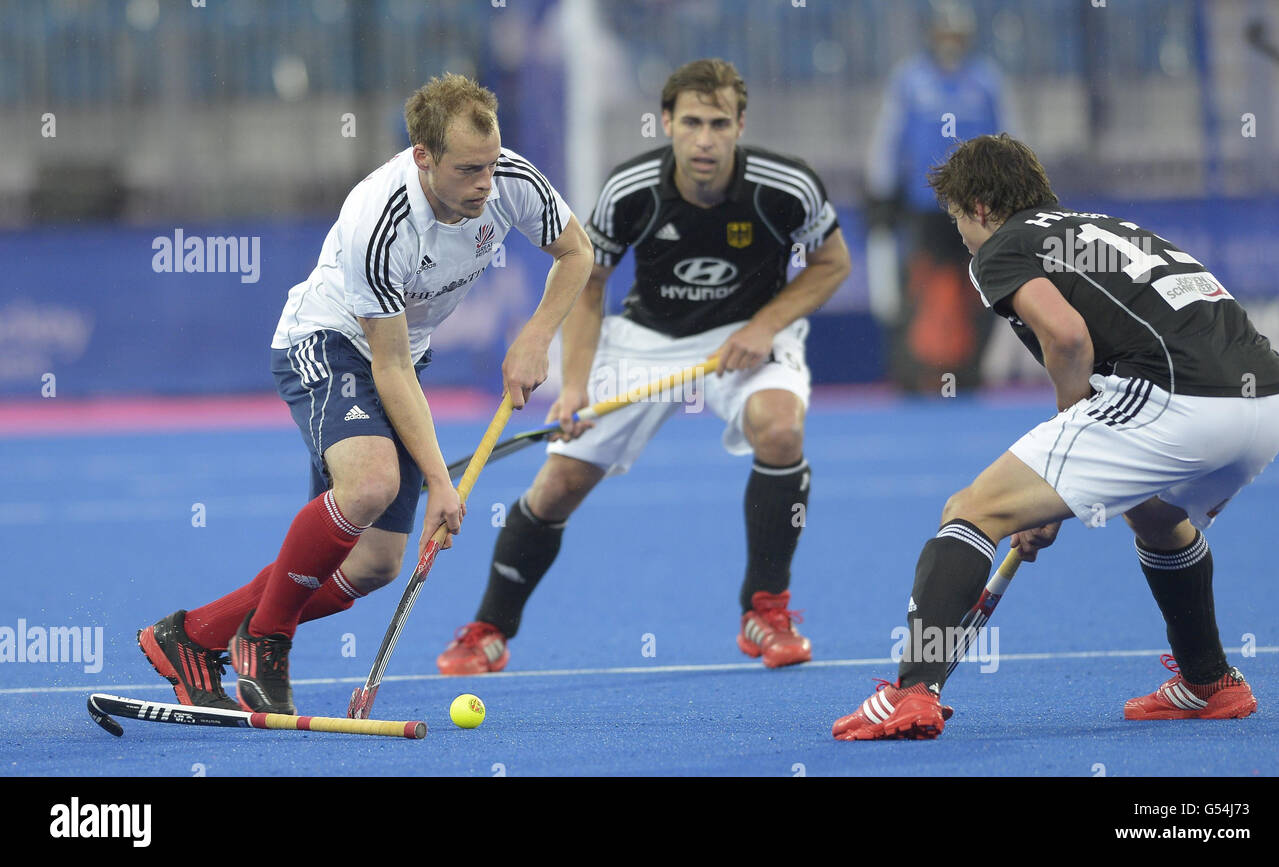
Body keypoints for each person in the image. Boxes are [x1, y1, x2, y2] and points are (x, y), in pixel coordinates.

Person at [136, 74, 593, 713]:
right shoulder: (380, 219)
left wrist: (536, 337)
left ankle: (191, 636)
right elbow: (390, 366)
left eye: (491, 166)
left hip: (403, 355)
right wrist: (440, 480)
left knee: (375, 564)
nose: (485, 186)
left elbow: (577, 252)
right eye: (468, 171)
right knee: (372, 484)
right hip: (325, 343)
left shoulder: (507, 180)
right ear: (423, 156)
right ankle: (265, 640)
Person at [834, 133, 1279, 740]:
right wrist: (1069, 483)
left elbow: (1068, 337)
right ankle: (1209, 682)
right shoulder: (1102, 226)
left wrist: (1064, 462)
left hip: (1185, 399)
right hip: (1267, 406)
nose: (963, 237)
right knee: (1152, 516)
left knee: (972, 510)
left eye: (957, 220)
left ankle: (911, 692)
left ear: (978, 208)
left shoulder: (1000, 245)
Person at [437, 58, 851, 675]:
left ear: (741, 124)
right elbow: (590, 281)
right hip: (645, 340)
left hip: (751, 331)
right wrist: (574, 385)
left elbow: (832, 263)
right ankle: (488, 629)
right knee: (557, 488)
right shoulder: (630, 190)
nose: (704, 139)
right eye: (690, 122)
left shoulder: (785, 186)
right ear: (666, 122)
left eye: (718, 123)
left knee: (780, 426)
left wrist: (765, 326)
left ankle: (766, 610)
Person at [866, 0, 1015, 393]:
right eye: (944, 33)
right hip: (924, 206)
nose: (950, 41)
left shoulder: (985, 80)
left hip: (977, 206)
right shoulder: (910, 81)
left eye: (957, 34)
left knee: (978, 286)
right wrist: (881, 192)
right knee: (923, 286)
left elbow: (1010, 138)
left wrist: (1011, 193)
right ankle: (918, 371)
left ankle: (969, 369)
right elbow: (889, 139)